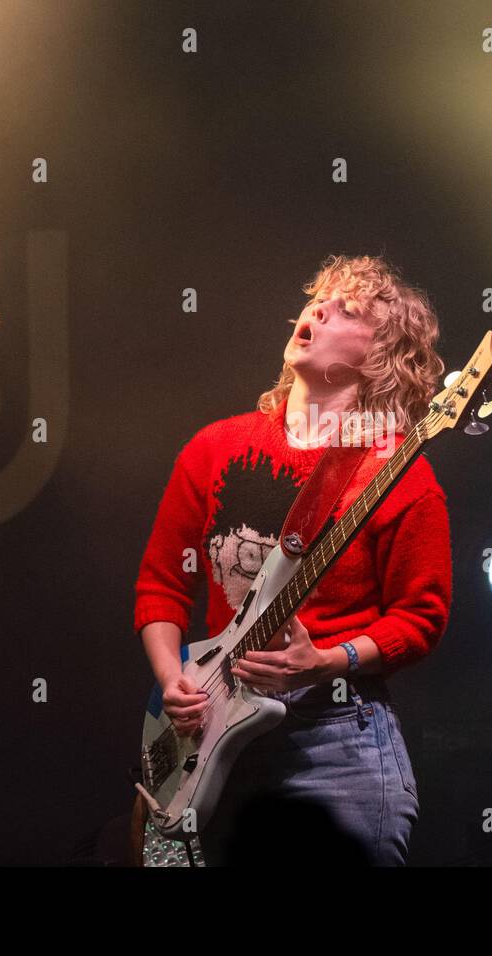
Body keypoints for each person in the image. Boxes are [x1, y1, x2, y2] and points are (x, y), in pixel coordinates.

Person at [133, 253, 452, 865]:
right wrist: (171, 675)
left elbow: (420, 617)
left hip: (337, 742)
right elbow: (163, 584)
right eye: (317, 300)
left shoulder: (398, 475)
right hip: (209, 723)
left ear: (382, 357)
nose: (318, 309)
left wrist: (326, 660)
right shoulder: (214, 448)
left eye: (347, 309)